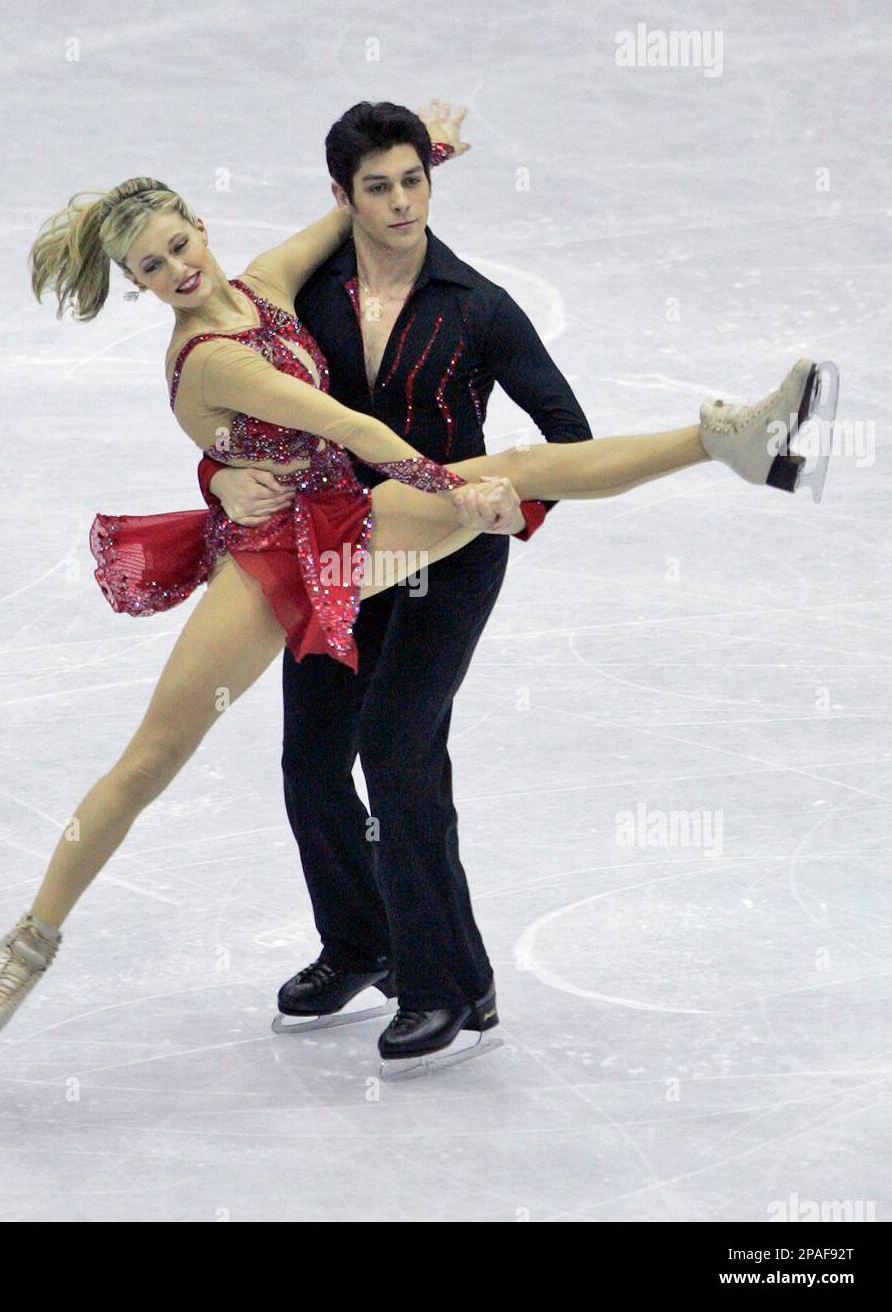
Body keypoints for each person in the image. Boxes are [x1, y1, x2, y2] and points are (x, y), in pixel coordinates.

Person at [0, 107, 838, 1070]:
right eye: (152, 269)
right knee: (158, 754)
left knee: (523, 465)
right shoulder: (211, 358)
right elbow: (358, 431)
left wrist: (423, 151)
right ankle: (31, 940)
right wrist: (457, 492)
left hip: (350, 520)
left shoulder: (263, 282)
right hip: (273, 556)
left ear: (201, 227)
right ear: (134, 285)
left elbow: (341, 217)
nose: (178, 271)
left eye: (179, 244)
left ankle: (729, 439)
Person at [195, 100, 593, 1065]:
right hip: (338, 548)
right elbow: (228, 407)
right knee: (310, 760)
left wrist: (516, 505)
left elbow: (569, 436)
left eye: (415, 179)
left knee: (399, 748)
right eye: (379, 186)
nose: (403, 201)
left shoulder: (479, 306)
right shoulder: (303, 303)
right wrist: (222, 471)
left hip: (449, 553)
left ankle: (451, 984)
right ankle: (362, 940)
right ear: (343, 197)